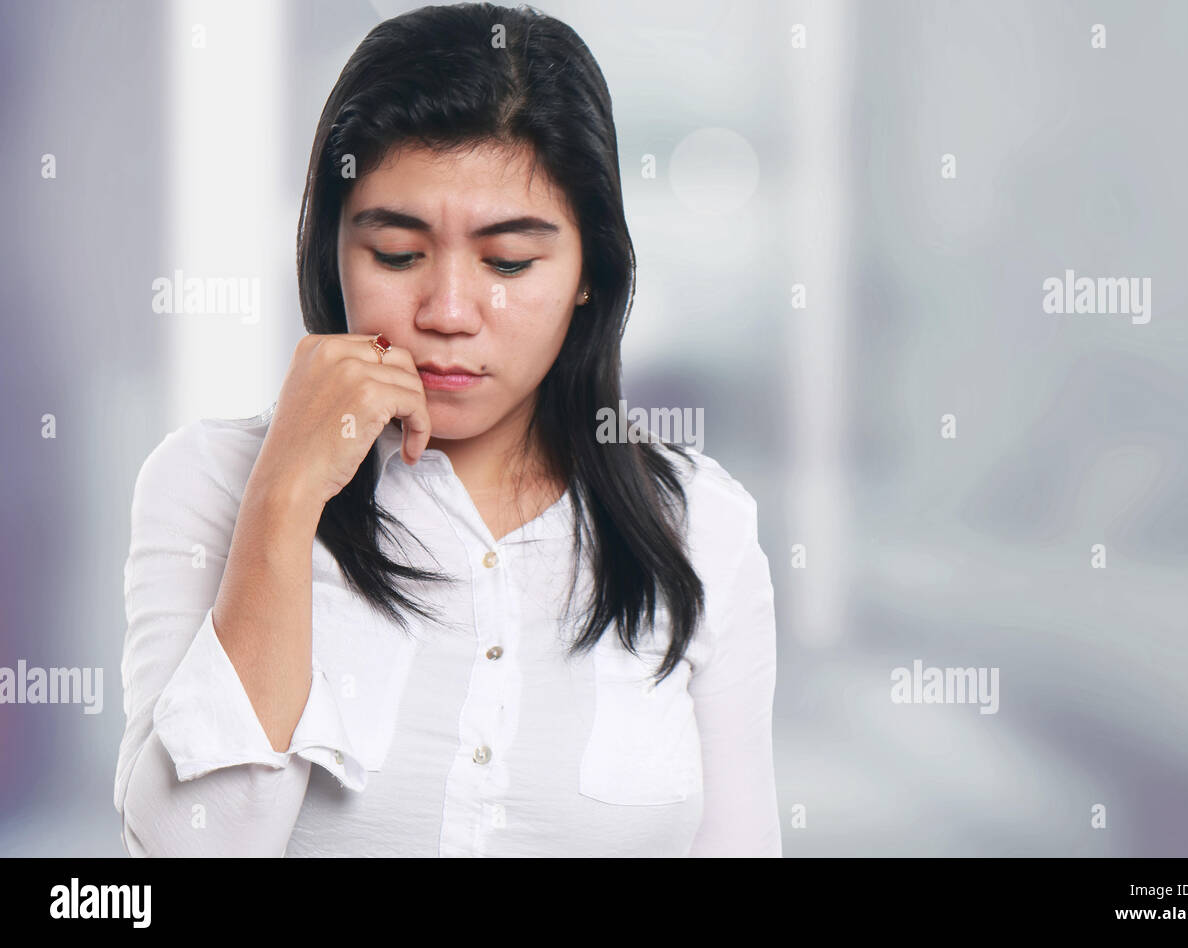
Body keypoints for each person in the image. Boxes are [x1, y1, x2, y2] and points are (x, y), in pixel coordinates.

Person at [113, 1, 780, 857]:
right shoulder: (208, 482)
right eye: (396, 253)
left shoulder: (702, 526)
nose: (449, 312)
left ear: (590, 273)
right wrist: (283, 499)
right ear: (331, 253)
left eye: (509, 262)